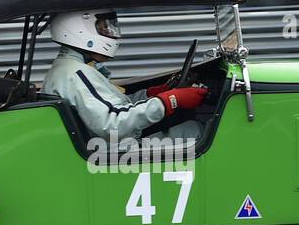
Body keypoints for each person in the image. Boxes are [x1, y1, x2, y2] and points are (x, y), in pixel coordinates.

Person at [41, 9, 207, 143]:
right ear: (78, 30)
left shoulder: (72, 69)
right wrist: (170, 100)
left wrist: (153, 94)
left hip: (113, 145)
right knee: (196, 130)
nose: (109, 31)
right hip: (115, 151)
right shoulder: (76, 74)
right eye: (102, 27)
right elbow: (112, 124)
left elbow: (115, 104)